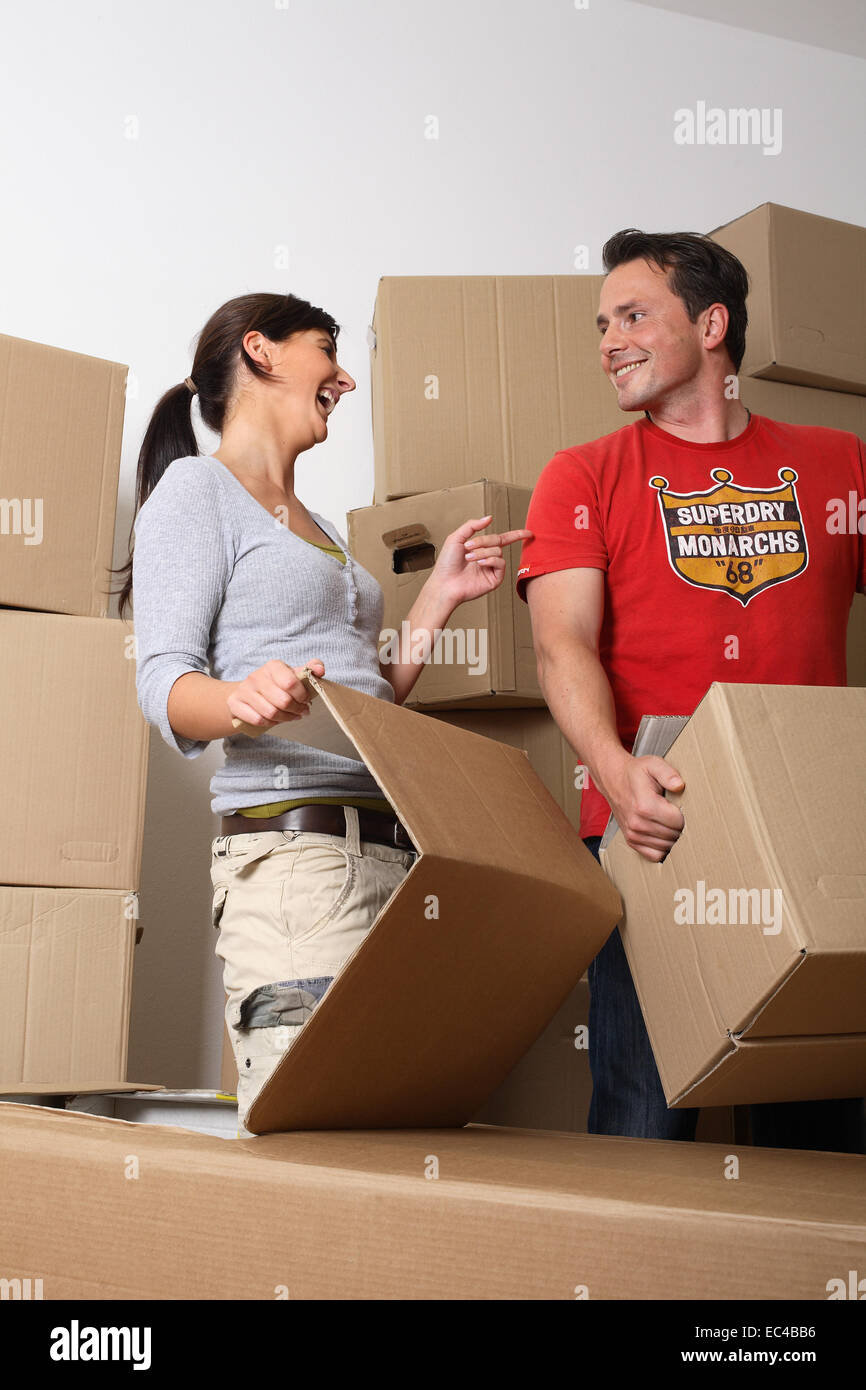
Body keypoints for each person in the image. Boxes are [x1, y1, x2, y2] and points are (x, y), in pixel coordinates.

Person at [109, 291, 530, 1135]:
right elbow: (162, 680)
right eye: (326, 351)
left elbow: (361, 702)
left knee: (398, 1133)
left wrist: (437, 598)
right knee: (317, 1145)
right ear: (260, 352)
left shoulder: (323, 529)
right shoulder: (198, 493)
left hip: (400, 855)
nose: (344, 377)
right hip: (298, 865)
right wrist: (237, 700)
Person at [516, 229, 865, 1153]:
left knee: (830, 1121)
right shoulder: (583, 476)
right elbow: (562, 646)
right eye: (602, 324)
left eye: (633, 316)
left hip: (813, 833)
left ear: (712, 326)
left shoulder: (838, 463)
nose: (609, 342)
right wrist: (614, 770)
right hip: (655, 832)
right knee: (644, 1118)